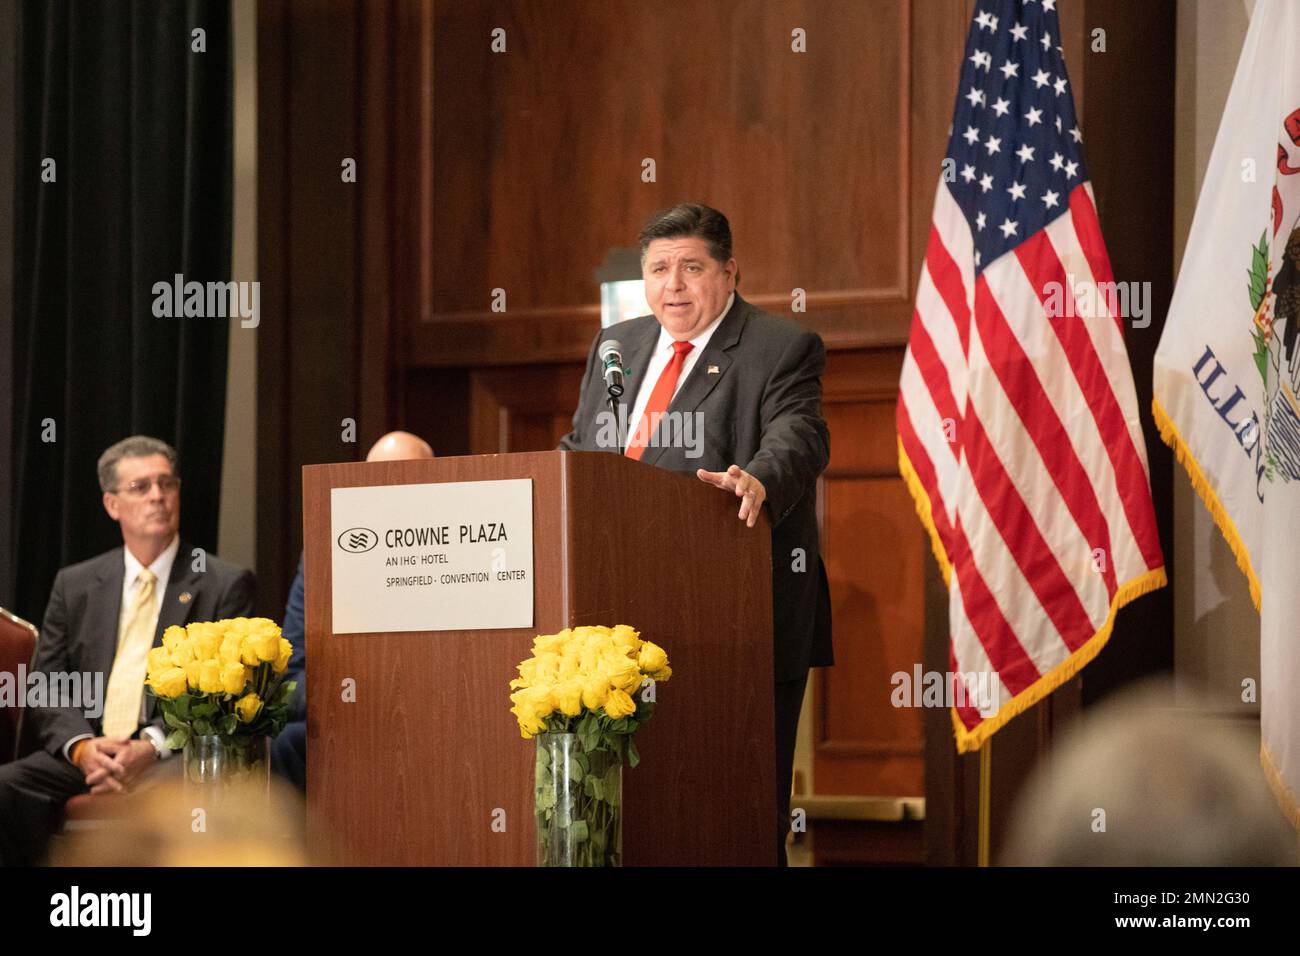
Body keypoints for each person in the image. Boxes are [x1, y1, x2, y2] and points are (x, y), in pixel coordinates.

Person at [557, 203, 832, 865]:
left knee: (731, 813)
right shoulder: (616, 346)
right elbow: (580, 451)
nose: (672, 285)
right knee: (639, 809)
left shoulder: (778, 346)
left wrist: (760, 478)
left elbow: (800, 436)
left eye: (690, 267)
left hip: (737, 614)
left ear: (728, 272)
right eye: (658, 269)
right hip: (617, 612)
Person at [0, 435, 255, 865]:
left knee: (183, 790)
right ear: (112, 504)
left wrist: (151, 745)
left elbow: (221, 697)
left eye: (166, 484)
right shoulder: (76, 584)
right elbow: (46, 687)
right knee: (7, 786)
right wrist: (83, 749)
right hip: (89, 751)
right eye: (141, 487)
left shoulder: (221, 583)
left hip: (170, 755)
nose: (157, 496)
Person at [270, 431, 435, 791]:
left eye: (409, 481)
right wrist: (356, 700)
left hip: (436, 714)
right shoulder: (322, 558)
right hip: (349, 713)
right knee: (288, 742)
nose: (394, 493)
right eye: (380, 481)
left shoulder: (457, 560)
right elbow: (292, 671)